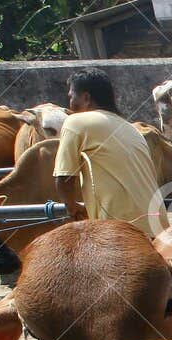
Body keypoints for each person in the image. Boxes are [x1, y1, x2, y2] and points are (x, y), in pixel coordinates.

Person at [52, 69, 164, 234]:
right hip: (158, 226)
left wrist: (72, 207)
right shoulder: (131, 128)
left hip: (119, 230)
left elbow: (64, 178)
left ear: (86, 97)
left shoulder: (75, 122)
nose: (70, 103)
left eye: (71, 97)